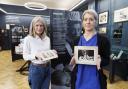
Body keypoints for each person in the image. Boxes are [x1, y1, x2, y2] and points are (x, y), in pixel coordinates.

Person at [70, 9, 111, 89]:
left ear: (95, 22)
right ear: (82, 22)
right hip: (79, 79)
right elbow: (74, 57)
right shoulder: (76, 40)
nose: (88, 22)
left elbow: (107, 60)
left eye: (91, 19)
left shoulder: (103, 40)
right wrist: (73, 59)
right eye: (85, 19)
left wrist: (100, 60)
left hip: (95, 81)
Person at [23, 16, 52, 89]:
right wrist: (35, 56)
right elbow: (25, 56)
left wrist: (52, 52)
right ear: (33, 26)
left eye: (41, 25)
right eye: (37, 25)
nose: (39, 28)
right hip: (36, 69)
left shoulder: (47, 39)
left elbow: (47, 53)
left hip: (48, 68)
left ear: (44, 27)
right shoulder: (28, 39)